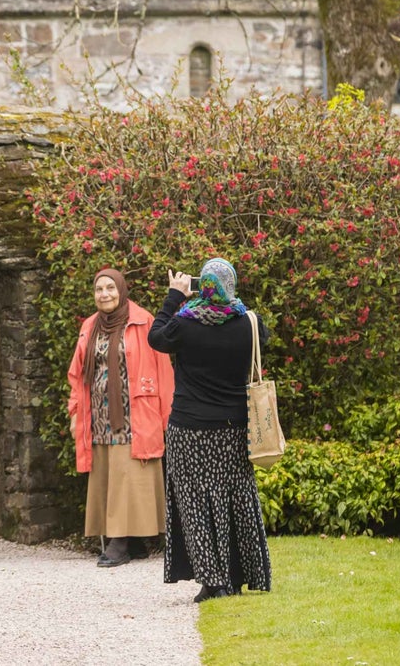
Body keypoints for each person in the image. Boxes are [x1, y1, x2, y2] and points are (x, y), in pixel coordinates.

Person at [147, 257, 272, 601]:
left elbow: (155, 337)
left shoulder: (184, 325)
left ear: (204, 285)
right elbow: (263, 347)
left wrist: (175, 295)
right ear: (231, 284)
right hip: (233, 428)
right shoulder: (250, 322)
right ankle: (240, 575)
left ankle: (212, 581)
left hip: (188, 428)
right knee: (236, 498)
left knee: (194, 504)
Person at [67, 268, 175, 567]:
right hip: (99, 416)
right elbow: (77, 374)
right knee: (109, 474)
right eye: (99, 289)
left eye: (110, 288)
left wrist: (169, 418)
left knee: (129, 475)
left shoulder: (144, 321)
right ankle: (137, 540)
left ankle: (120, 543)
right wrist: (76, 410)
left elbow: (164, 372)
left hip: (136, 414)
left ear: (121, 290)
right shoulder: (90, 326)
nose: (105, 294)